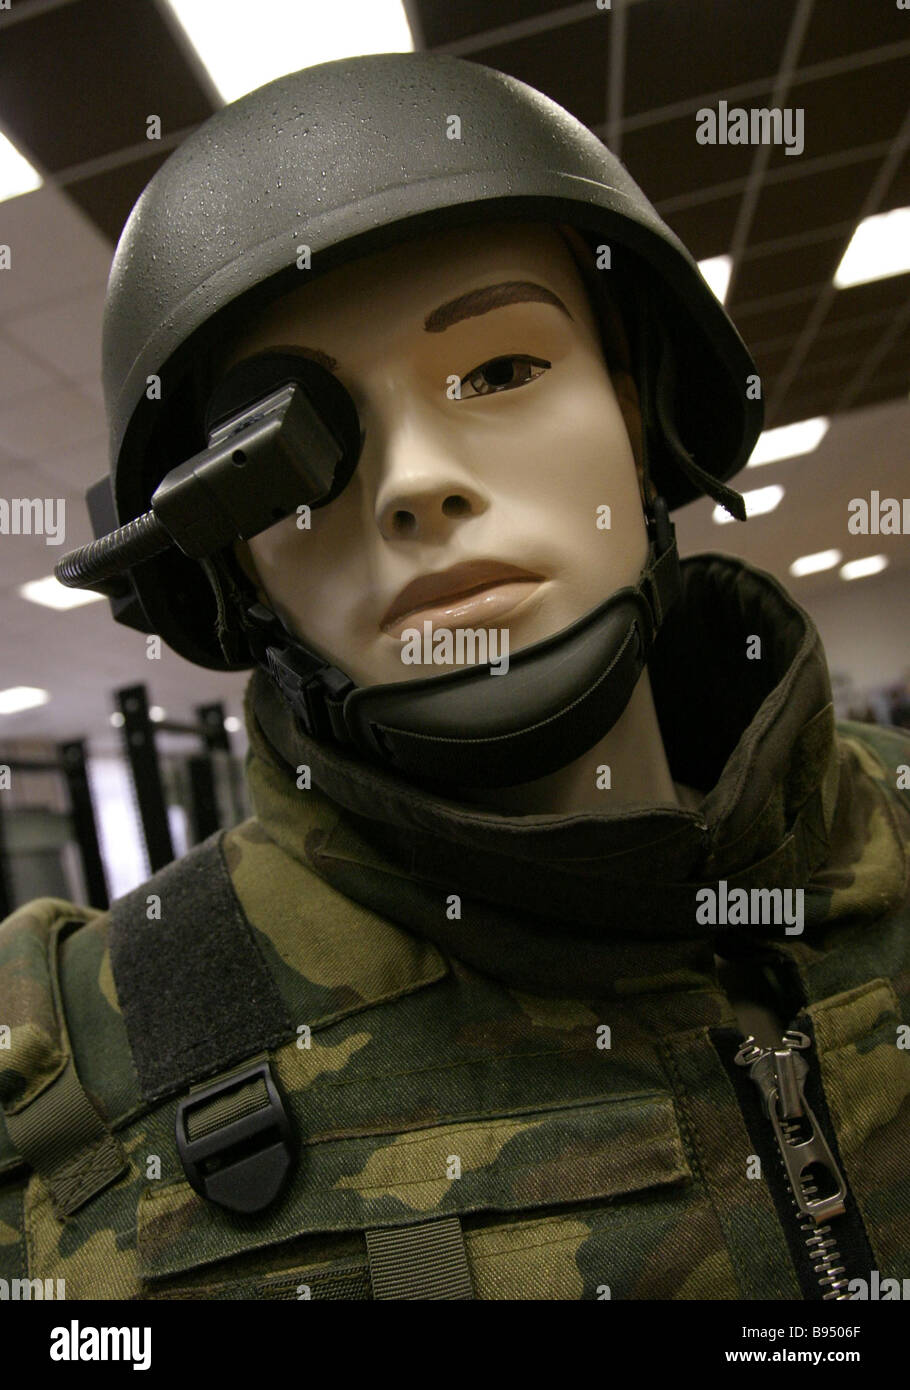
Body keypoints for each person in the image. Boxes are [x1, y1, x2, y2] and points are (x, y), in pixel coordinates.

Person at [1, 53, 908, 1302]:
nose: (416, 481)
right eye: (296, 447)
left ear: (638, 417)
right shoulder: (79, 1084)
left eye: (499, 372)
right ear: (237, 570)